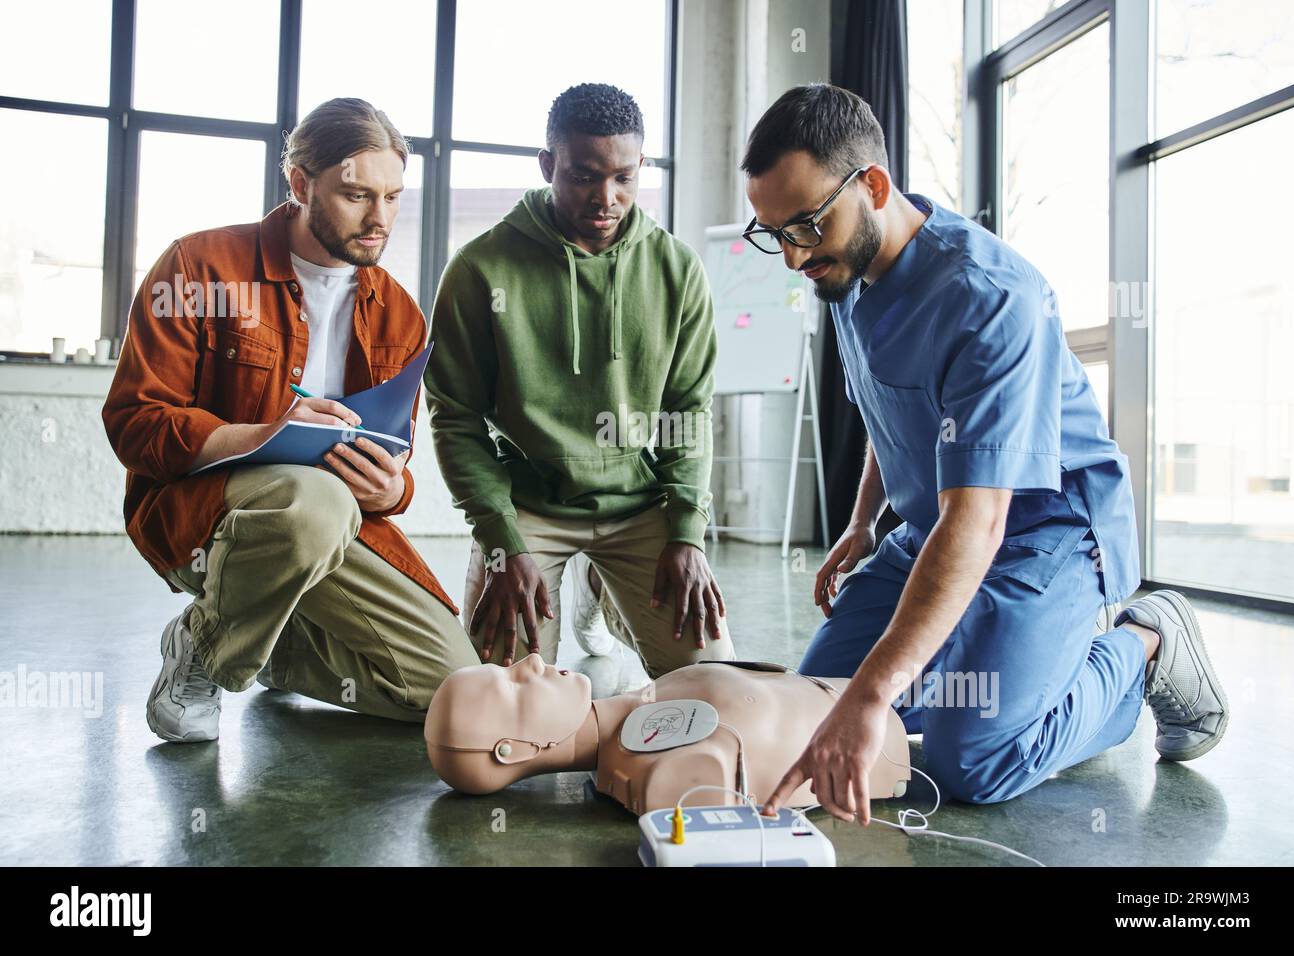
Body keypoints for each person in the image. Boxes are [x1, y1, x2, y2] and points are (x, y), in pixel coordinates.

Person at [737, 84, 1228, 818]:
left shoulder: (992, 299)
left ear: (872, 185)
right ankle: (985, 661)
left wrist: (877, 692)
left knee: (975, 759)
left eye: (804, 225)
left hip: (1045, 533)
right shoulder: (842, 274)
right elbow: (890, 405)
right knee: (818, 714)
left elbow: (981, 522)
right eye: (772, 232)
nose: (791, 256)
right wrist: (863, 524)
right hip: (935, 525)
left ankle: (1144, 644)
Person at [102, 98, 479, 743]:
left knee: (455, 693)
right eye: (357, 195)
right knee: (313, 504)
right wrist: (266, 435)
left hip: (332, 527)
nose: (379, 219)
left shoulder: (399, 315)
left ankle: (268, 641)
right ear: (299, 183)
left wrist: (394, 489)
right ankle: (201, 647)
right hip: (203, 515)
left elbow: (394, 457)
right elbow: (136, 424)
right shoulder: (198, 268)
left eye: (393, 197)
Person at [425, 83, 734, 678]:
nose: (606, 198)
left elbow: (688, 411)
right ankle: (583, 571)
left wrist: (687, 531)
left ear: (641, 166)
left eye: (623, 177)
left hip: (637, 504)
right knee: (510, 703)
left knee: (714, 683)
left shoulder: (677, 269)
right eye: (584, 175)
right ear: (549, 166)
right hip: (528, 507)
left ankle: (605, 580)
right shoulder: (479, 268)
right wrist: (500, 541)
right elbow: (455, 416)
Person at [424, 654, 911, 815]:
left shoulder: (652, 698)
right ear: (511, 751)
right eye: (510, 685)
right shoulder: (663, 775)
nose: (530, 662)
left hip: (868, 697)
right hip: (879, 737)